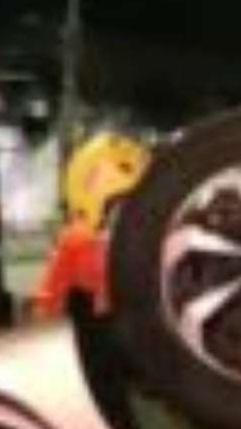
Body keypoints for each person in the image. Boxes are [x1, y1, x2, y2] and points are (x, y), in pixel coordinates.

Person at [31, 131, 151, 321]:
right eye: (117, 203)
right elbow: (57, 273)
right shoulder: (78, 237)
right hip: (101, 320)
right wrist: (47, 301)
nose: (123, 212)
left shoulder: (142, 235)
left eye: (130, 203)